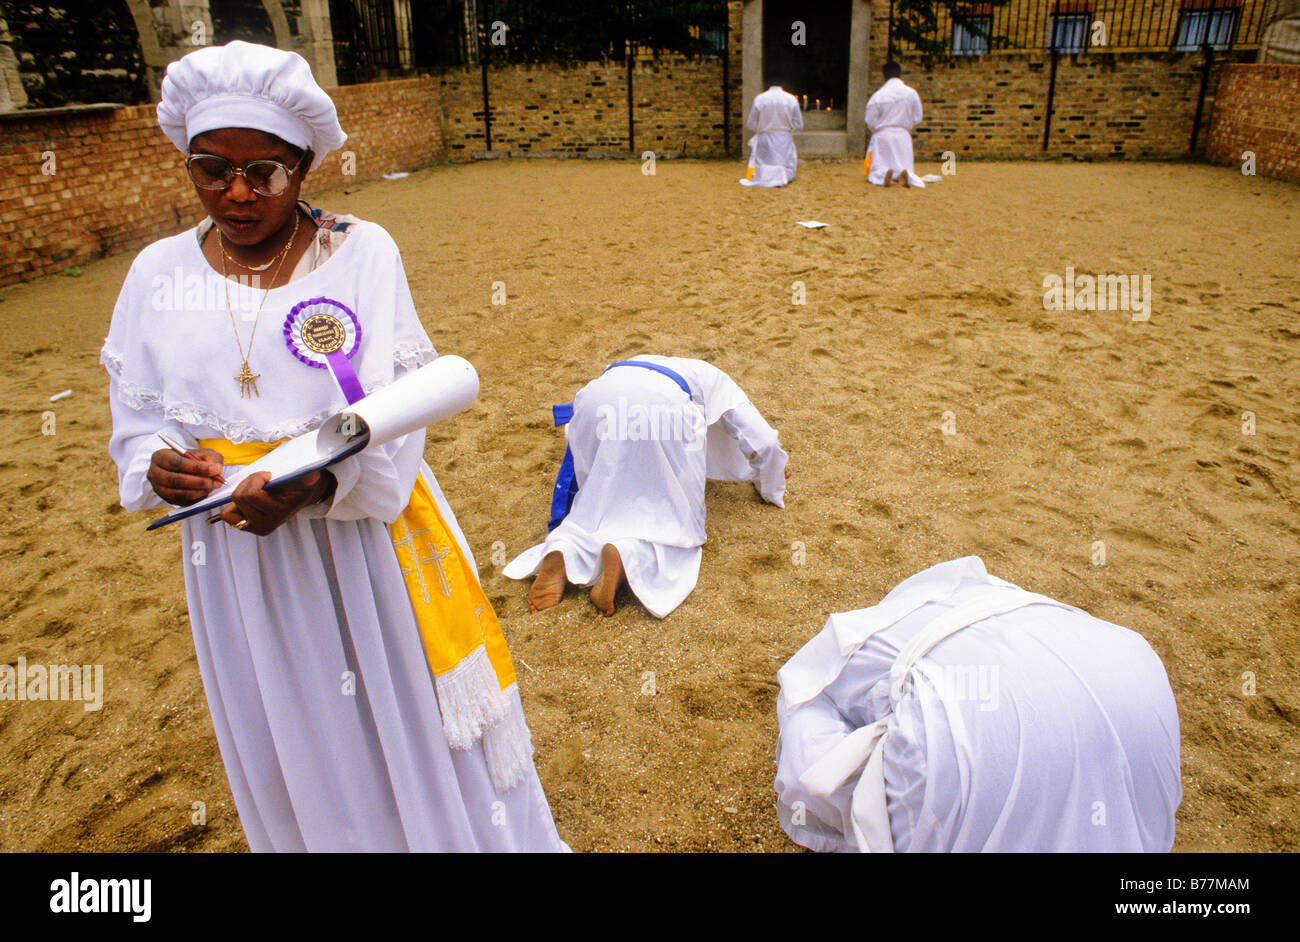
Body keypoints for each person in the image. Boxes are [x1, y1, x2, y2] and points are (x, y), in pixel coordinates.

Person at [101, 40, 567, 852]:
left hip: (363, 550)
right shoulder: (153, 274)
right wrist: (158, 465)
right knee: (301, 739)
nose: (237, 193)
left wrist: (314, 490)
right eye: (211, 168)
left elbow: (397, 415)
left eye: (266, 172)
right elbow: (136, 423)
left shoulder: (360, 254)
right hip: (239, 567)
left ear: (305, 164)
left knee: (405, 728)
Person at [774, 557, 1182, 852]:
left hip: (951, 739)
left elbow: (804, 704)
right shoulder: (1123, 644)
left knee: (808, 714)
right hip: (1137, 682)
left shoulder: (852, 646)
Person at [503, 356, 788, 618]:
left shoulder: (657, 364)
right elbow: (764, 442)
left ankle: (565, 547)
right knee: (674, 523)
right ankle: (628, 553)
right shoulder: (722, 384)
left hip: (597, 397)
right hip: (666, 404)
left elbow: (578, 443)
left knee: (596, 503)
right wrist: (771, 491)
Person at [864, 61, 925, 188]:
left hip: (883, 135)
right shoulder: (911, 94)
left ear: (884, 76)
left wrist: (877, 130)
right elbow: (918, 117)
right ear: (900, 74)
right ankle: (905, 176)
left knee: (880, 165)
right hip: (902, 134)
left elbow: (870, 120)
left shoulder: (878, 96)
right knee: (903, 162)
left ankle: (884, 176)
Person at [740, 83, 803, 187]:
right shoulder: (791, 99)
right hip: (784, 138)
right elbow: (799, 124)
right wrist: (788, 130)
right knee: (784, 161)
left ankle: (765, 177)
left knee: (764, 161)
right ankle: (784, 177)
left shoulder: (760, 99)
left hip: (765, 138)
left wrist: (760, 129)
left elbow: (751, 123)